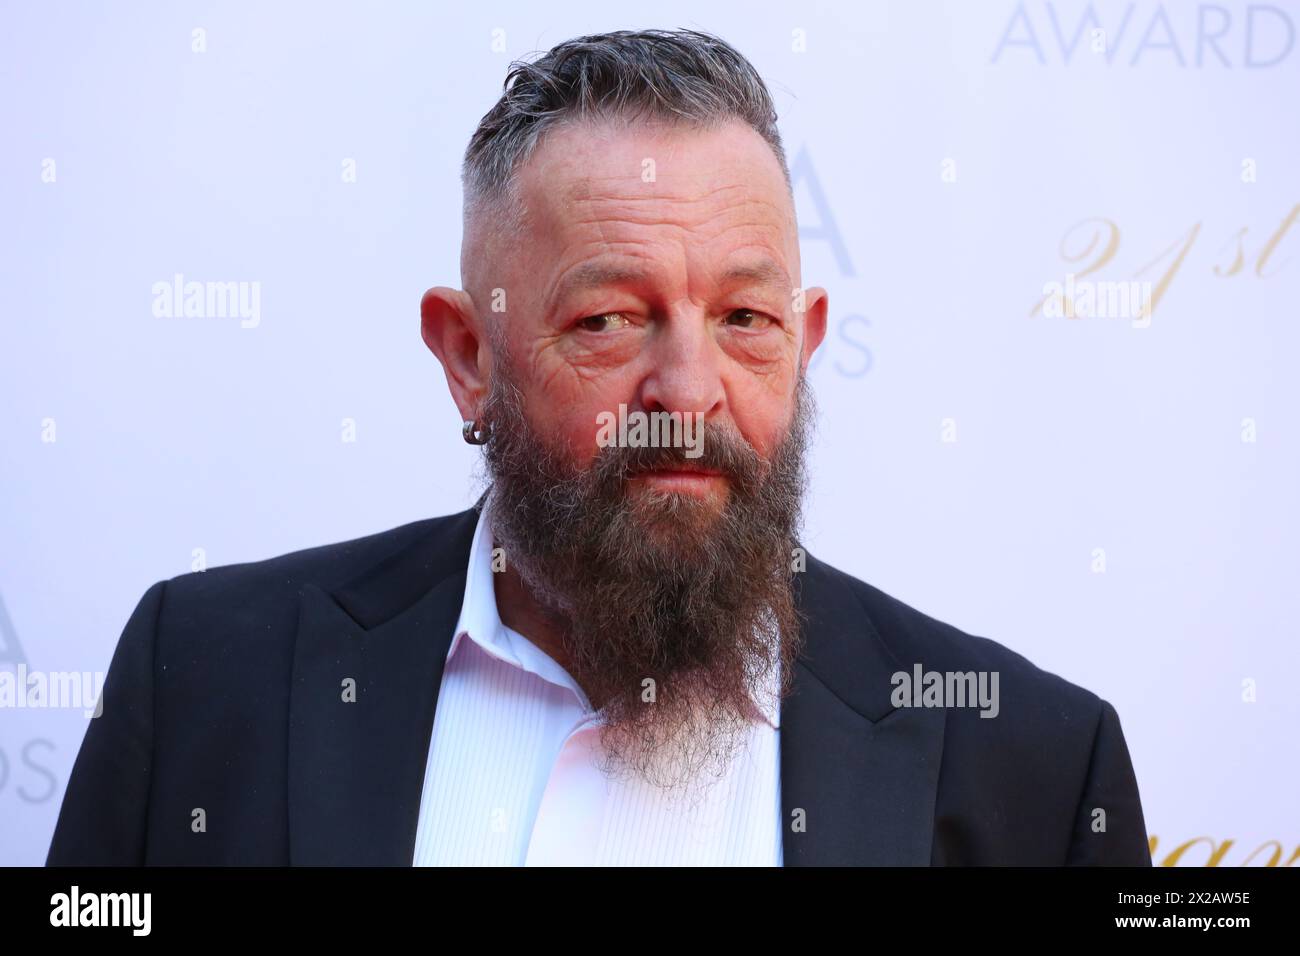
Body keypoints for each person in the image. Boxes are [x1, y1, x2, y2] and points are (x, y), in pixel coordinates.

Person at [47, 28, 1150, 866]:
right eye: (609, 320)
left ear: (803, 344)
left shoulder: (1036, 768)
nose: (688, 390)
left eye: (743, 320)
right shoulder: (202, 681)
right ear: (469, 353)